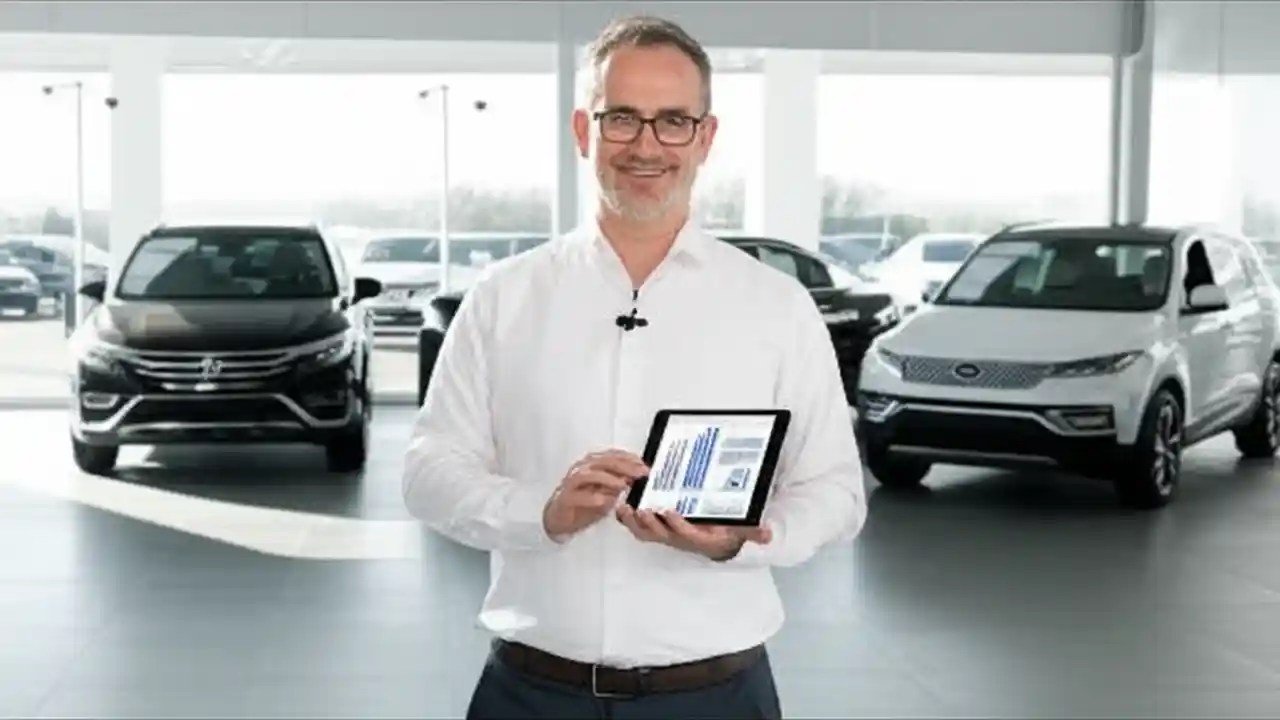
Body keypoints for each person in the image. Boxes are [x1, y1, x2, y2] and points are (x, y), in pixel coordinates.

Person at [402, 14, 867, 720]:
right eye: (623, 119)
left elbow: (835, 491)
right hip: (530, 693)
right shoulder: (504, 299)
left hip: (717, 695)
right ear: (584, 131)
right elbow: (430, 471)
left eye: (673, 121)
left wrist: (742, 541)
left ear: (705, 138)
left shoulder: (776, 306)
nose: (647, 146)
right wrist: (543, 512)